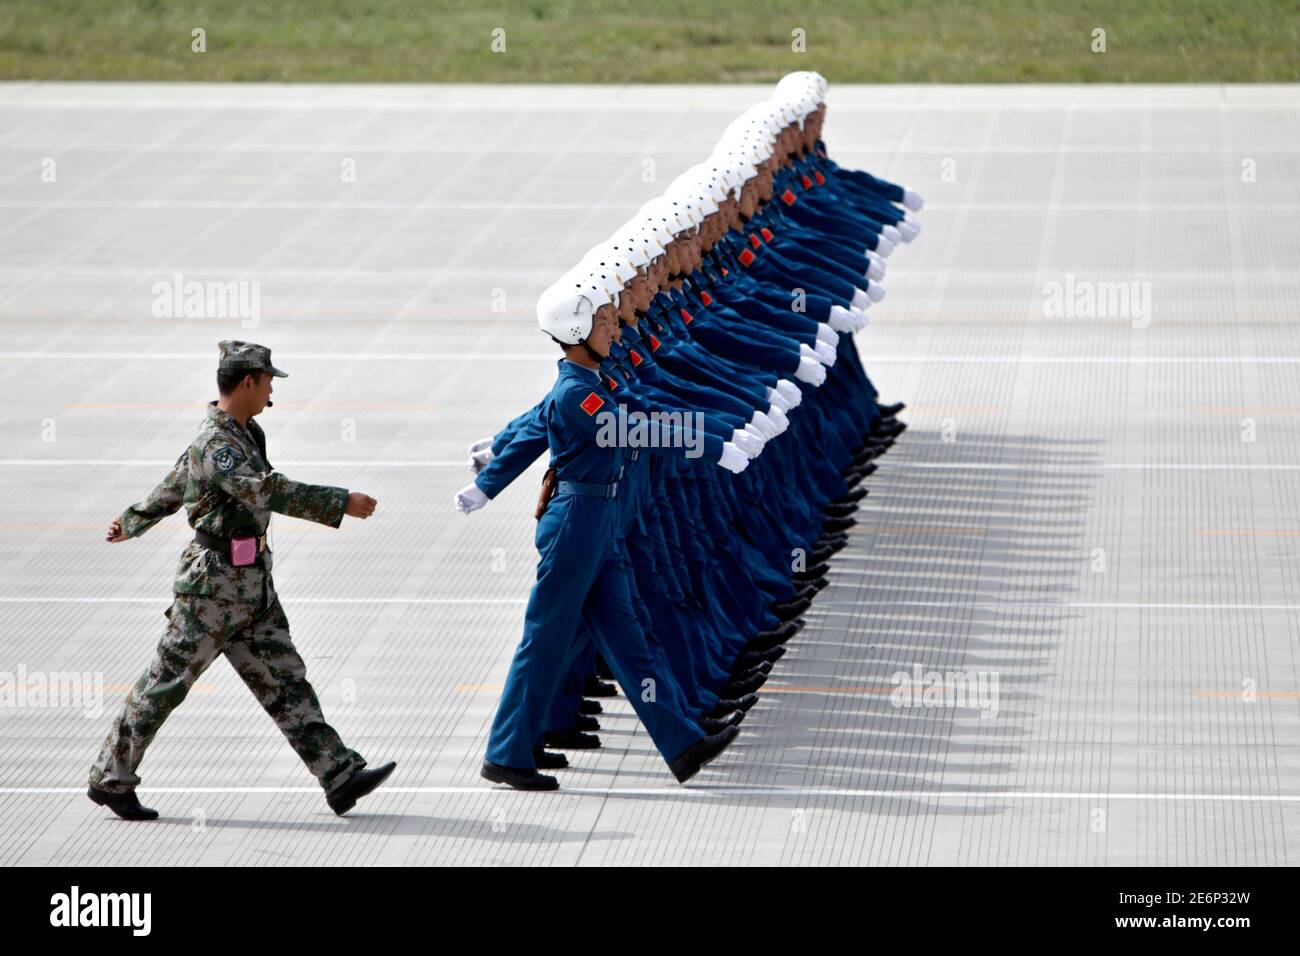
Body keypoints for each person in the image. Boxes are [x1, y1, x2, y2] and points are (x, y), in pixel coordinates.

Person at [87, 340, 396, 819]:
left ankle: (338, 774)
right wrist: (339, 502)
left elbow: (177, 483)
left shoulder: (246, 432)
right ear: (248, 381)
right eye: (269, 379)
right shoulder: (217, 443)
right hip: (211, 592)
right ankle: (111, 778)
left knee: (286, 681)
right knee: (164, 686)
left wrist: (132, 519)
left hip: (252, 586)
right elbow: (261, 488)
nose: (273, 388)